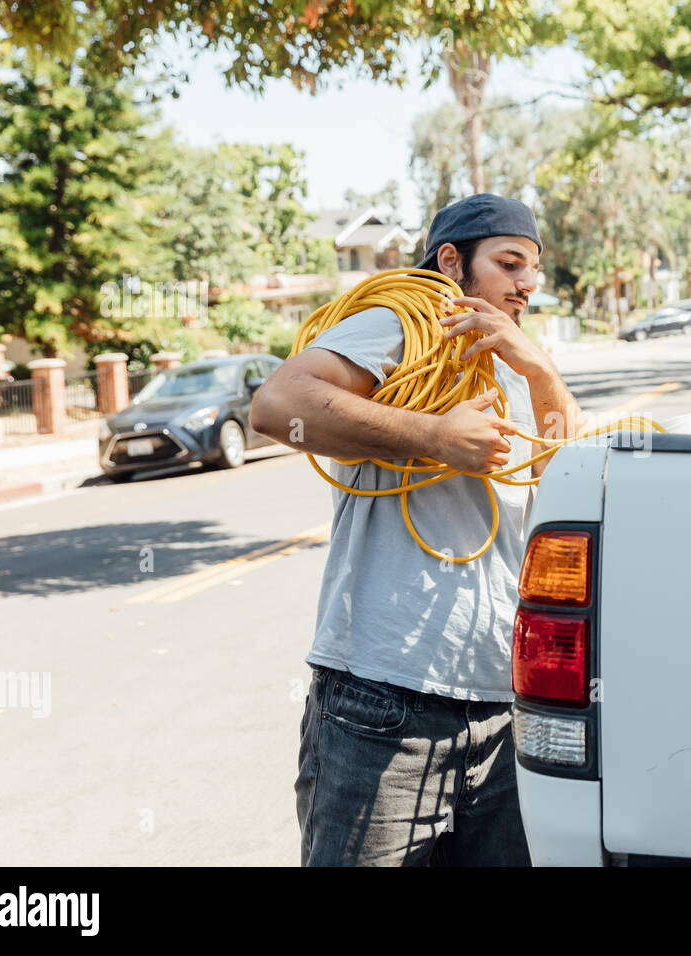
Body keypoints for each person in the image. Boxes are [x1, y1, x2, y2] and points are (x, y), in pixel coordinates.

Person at [250, 193, 586, 866]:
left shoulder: (518, 365)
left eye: (533, 269)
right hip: (385, 703)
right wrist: (432, 435)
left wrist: (543, 369)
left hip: (500, 707)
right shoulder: (406, 326)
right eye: (509, 262)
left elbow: (564, 481)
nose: (527, 282)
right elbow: (276, 403)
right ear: (452, 261)